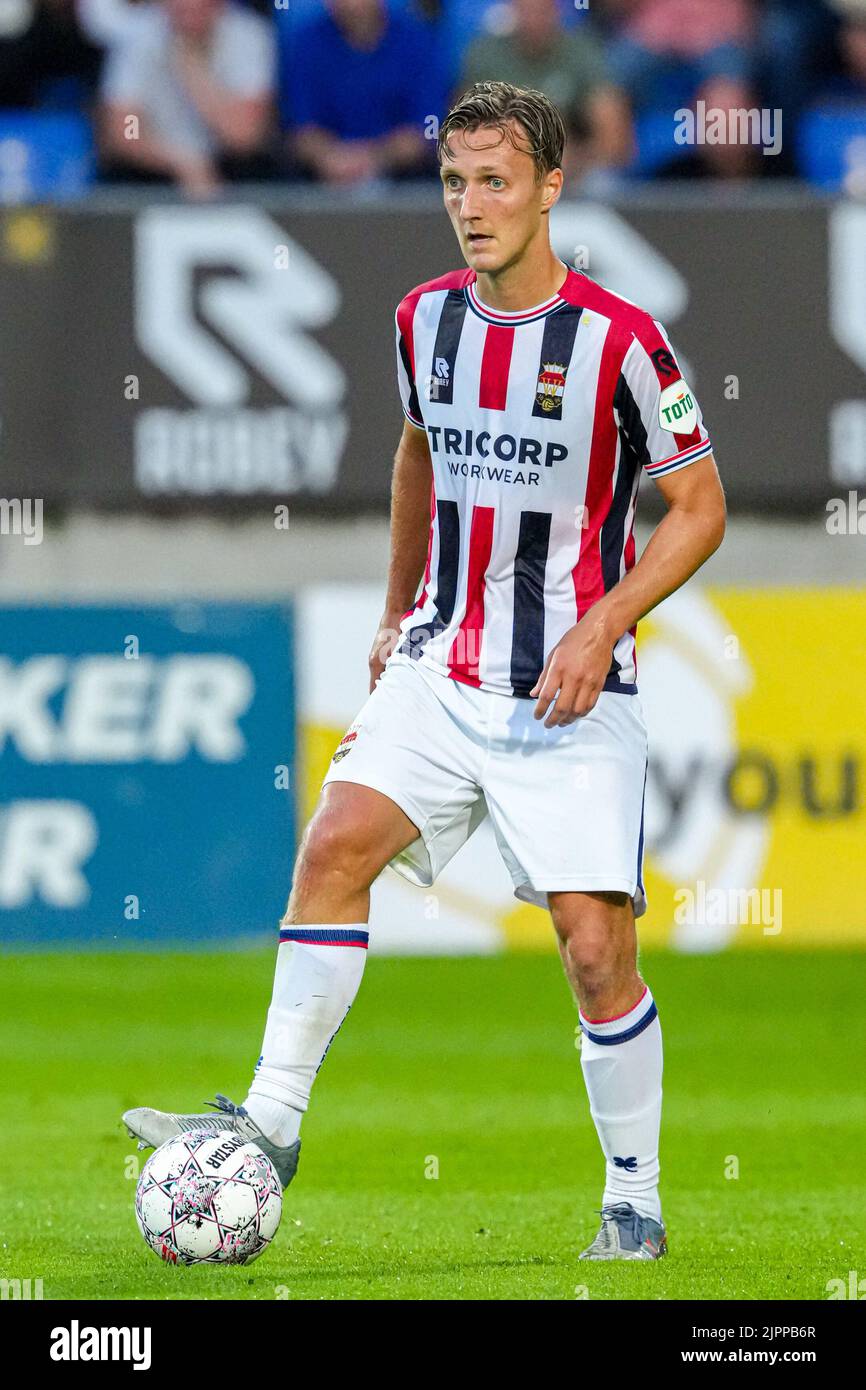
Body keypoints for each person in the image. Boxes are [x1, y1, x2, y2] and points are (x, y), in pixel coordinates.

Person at [123, 80, 727, 1261]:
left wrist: (602, 622)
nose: (470, 203)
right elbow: (416, 456)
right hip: (441, 668)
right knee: (332, 844)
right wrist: (398, 607)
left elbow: (697, 508)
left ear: (551, 186)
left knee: (594, 950)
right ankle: (270, 1124)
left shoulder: (621, 339)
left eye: (494, 180)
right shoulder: (420, 322)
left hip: (567, 688)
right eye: (454, 181)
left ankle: (633, 1198)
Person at [98, 0, 276, 197]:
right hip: (154, 171)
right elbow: (127, 132)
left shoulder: (249, 35)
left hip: (231, 171)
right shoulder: (136, 36)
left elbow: (243, 136)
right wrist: (183, 163)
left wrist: (190, 66)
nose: (190, 9)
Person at [457, 0, 634, 184]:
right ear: (513, 11)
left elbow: (615, 140)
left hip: (574, 171)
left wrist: (574, 159)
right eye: (527, 10)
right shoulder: (486, 55)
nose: (534, 19)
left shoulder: (581, 52)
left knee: (604, 183)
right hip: (503, 166)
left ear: (556, 11)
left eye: (542, 10)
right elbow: (462, 134)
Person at [283, 0, 446, 185]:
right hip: (320, 184)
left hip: (406, 182)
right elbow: (300, 130)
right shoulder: (305, 43)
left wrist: (375, 157)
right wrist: (331, 158)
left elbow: (427, 131)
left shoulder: (418, 41)